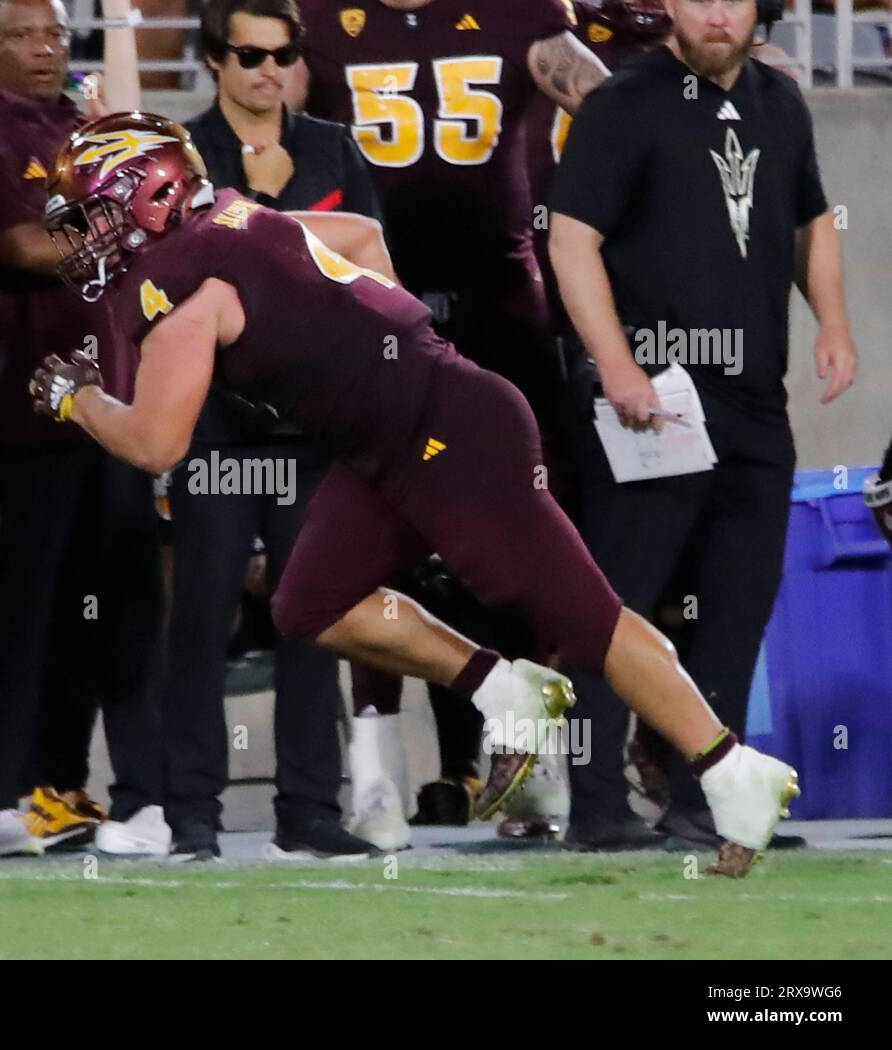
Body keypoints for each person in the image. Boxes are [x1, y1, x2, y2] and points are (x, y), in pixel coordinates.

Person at [32, 111, 800, 878]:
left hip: (447, 435)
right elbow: (362, 236)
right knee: (310, 604)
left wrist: (78, 399)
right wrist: (391, 349)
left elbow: (156, 443)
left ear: (152, 194)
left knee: (585, 618)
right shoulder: (239, 215)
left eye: (96, 212)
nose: (87, 237)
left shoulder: (177, 281)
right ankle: (503, 687)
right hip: (399, 441)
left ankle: (733, 770)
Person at [289, 0, 612, 847]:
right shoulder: (317, 18)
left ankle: (540, 770)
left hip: (502, 316)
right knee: (365, 550)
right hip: (372, 321)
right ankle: (372, 773)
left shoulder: (518, 12)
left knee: (527, 539)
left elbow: (615, 119)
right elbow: (258, 124)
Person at [549, 0, 856, 852]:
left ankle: (705, 800)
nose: (718, 12)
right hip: (655, 395)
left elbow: (810, 220)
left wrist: (831, 322)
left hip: (757, 399)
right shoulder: (623, 102)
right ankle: (597, 806)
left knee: (736, 606)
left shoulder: (781, 101)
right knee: (619, 607)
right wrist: (616, 366)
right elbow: (571, 240)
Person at [0, 0, 168, 858]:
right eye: (25, 36)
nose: (45, 49)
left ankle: (128, 793)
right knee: (19, 615)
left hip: (118, 406)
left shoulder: (93, 129)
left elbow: (171, 226)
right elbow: (26, 247)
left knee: (124, 613)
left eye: (58, 35)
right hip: (24, 409)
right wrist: (122, 212)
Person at [161, 0, 381, 861]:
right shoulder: (177, 157)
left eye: (283, 54)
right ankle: (191, 812)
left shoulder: (334, 147)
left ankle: (309, 811)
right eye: (249, 54)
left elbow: (370, 268)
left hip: (313, 425)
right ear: (214, 58)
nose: (267, 70)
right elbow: (166, 280)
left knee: (313, 618)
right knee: (202, 619)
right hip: (214, 422)